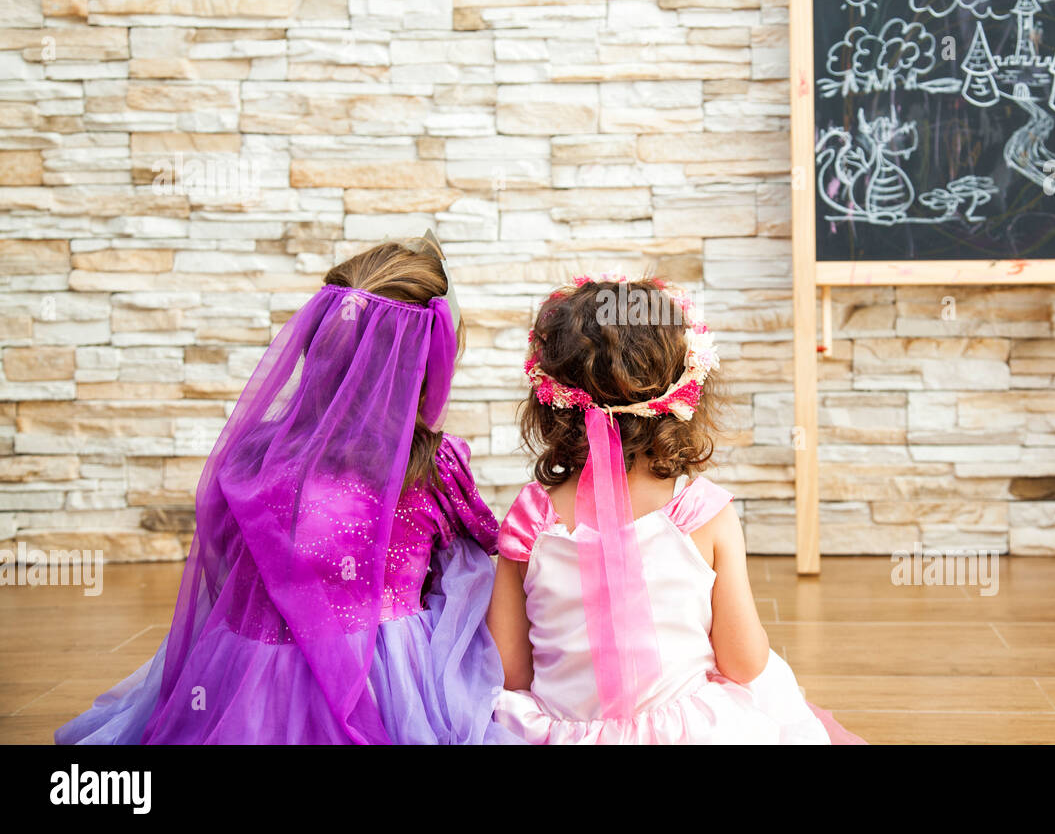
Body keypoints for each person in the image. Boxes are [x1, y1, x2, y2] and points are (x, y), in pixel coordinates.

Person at [55, 236, 518, 744]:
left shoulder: (254, 457)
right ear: (426, 364)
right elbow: (466, 586)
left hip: (245, 677)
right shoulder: (432, 468)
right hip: (381, 683)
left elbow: (231, 572)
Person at [486, 274, 865, 744]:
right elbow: (744, 661)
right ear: (683, 392)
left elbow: (508, 669)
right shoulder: (702, 513)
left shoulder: (530, 521)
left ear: (552, 400)